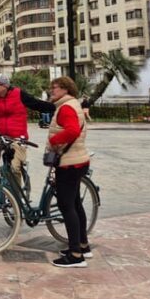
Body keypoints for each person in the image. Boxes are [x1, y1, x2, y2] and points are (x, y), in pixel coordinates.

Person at [0, 73, 55, 189]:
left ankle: (16, 196)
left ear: (4, 86)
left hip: (17, 138)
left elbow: (37, 105)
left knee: (14, 168)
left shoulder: (19, 94)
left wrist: (56, 106)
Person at [46, 76, 91, 268]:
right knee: (75, 204)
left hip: (69, 164)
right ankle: (82, 245)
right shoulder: (73, 104)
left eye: (54, 88)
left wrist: (54, 141)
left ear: (65, 89)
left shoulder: (65, 107)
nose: (52, 91)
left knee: (67, 207)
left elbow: (72, 131)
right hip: (79, 160)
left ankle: (75, 255)